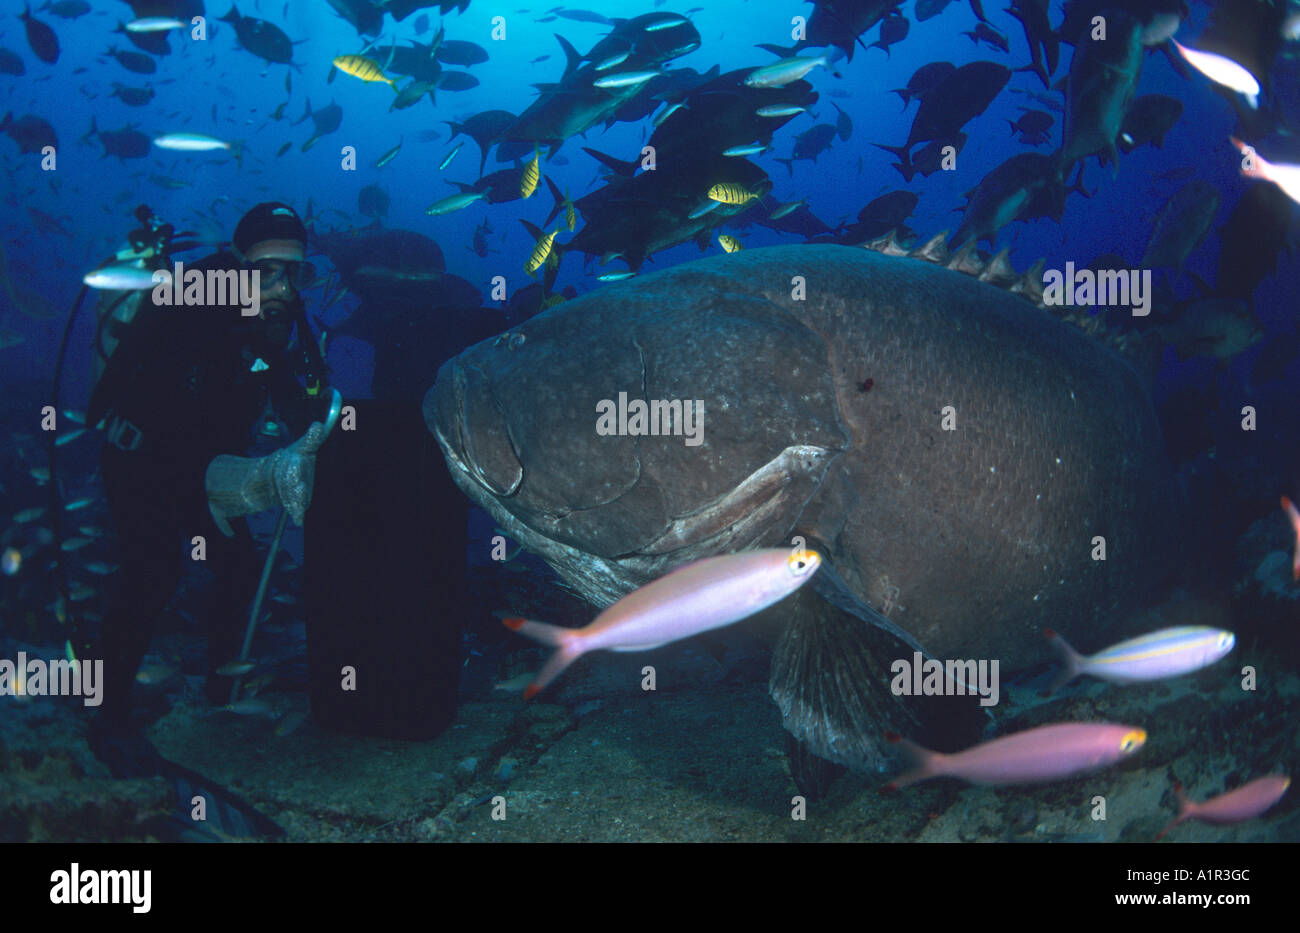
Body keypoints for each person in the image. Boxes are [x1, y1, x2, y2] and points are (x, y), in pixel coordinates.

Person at [86, 202, 328, 766]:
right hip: (139, 456)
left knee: (238, 565)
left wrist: (317, 421)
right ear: (236, 264)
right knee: (152, 571)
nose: (282, 286)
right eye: (267, 269)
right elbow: (148, 408)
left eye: (294, 272)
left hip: (211, 468)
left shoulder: (274, 312)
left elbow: (298, 397)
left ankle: (223, 681)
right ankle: (111, 715)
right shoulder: (190, 302)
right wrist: (243, 476)